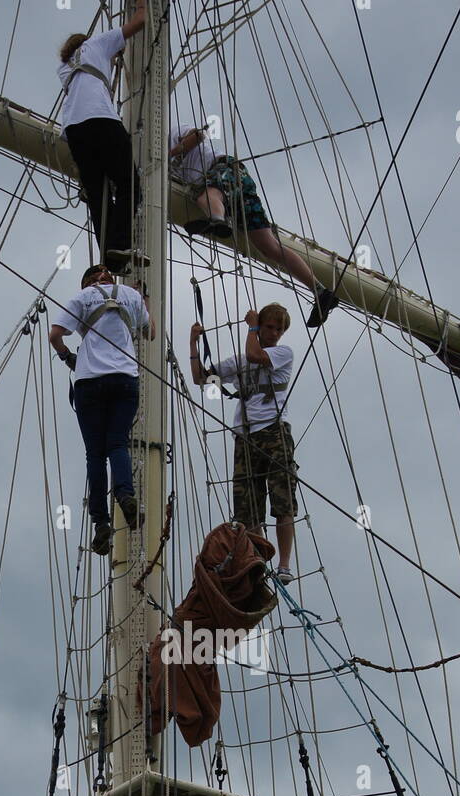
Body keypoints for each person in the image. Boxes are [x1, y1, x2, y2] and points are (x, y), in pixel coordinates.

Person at [170, 123, 339, 328]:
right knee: (269, 247)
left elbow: (199, 134)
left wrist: (173, 153)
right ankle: (321, 291)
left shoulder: (172, 131)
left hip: (224, 170)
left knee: (207, 197)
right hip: (236, 187)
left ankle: (217, 219)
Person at [50, 263, 155, 555]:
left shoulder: (82, 298)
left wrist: (67, 357)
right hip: (124, 380)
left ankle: (101, 524)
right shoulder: (131, 296)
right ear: (111, 279)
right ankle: (126, 496)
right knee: (117, 443)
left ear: (88, 284)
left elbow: (55, 335)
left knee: (95, 454)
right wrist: (142, 299)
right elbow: (151, 333)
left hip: (90, 383)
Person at [191, 303, 297, 581]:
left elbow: (255, 354)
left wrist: (251, 327)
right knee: (247, 507)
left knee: (283, 500)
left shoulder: (282, 353)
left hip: (274, 432)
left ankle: (284, 564)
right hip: (245, 436)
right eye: (269, 327)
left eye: (278, 329)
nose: (273, 333)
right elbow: (200, 377)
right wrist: (193, 344)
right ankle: (259, 560)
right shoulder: (238, 363)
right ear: (262, 326)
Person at [59, 4, 148, 272]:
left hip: (74, 129)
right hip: (100, 119)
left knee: (97, 195)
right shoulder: (97, 43)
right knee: (129, 184)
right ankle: (119, 244)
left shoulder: (63, 67)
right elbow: (140, 21)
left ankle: (109, 255)